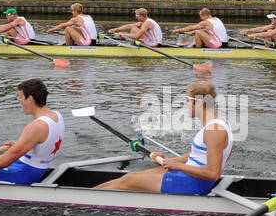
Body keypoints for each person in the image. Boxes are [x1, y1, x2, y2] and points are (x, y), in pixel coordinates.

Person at [93, 80, 231, 195]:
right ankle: (90, 194)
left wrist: (178, 166)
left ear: (199, 103)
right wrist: (170, 161)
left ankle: (80, 200)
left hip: (194, 183)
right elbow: (197, 155)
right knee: (128, 177)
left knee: (127, 180)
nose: (185, 103)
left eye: (188, 99)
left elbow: (213, 173)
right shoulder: (216, 123)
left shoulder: (214, 130)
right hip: (191, 175)